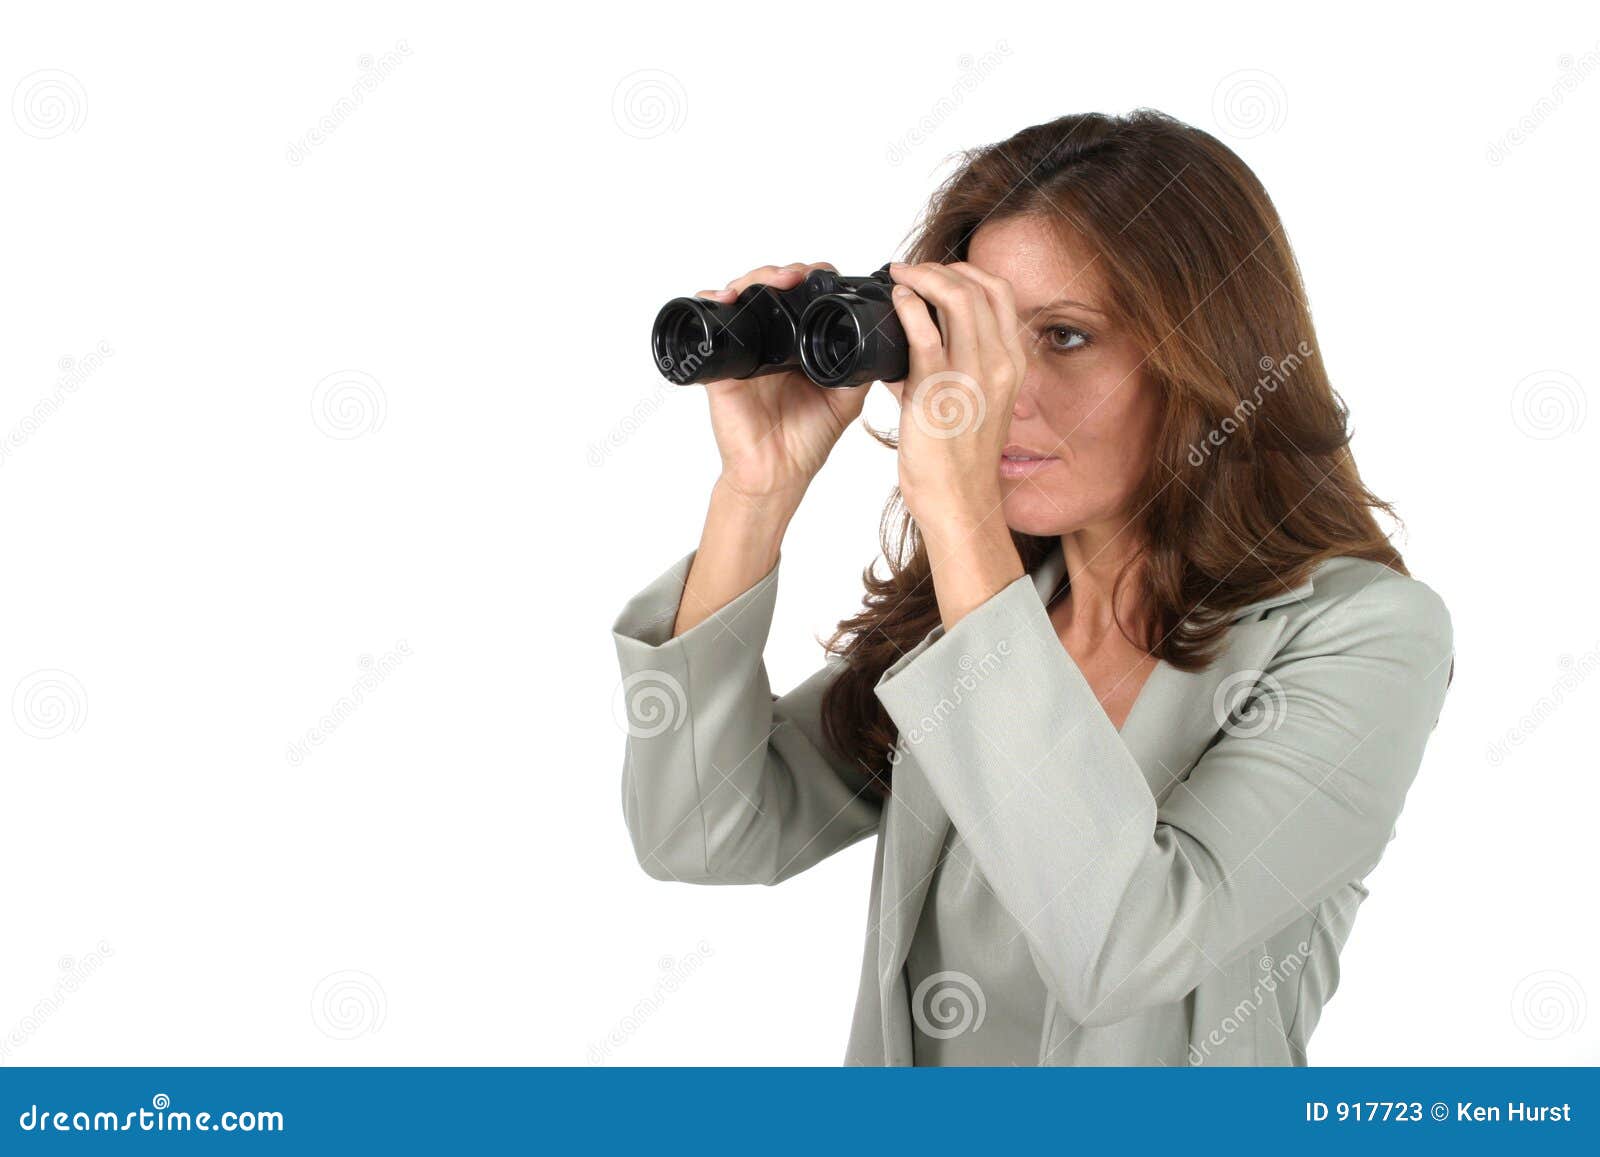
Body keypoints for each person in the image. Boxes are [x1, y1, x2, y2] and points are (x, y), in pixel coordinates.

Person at [611, 109, 1454, 1066]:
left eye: (1062, 336)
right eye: (982, 342)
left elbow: (1127, 948)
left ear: (1208, 357)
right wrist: (755, 493)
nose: (1000, 390)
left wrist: (963, 516)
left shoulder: (1365, 637)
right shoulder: (978, 622)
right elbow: (702, 830)